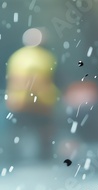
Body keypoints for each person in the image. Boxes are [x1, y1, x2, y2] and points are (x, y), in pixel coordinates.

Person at [5, 28, 59, 162]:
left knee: (16, 129)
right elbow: (49, 80)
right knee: (45, 129)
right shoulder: (47, 57)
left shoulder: (17, 56)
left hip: (18, 101)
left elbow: (12, 79)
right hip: (41, 102)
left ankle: (12, 156)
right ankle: (45, 156)